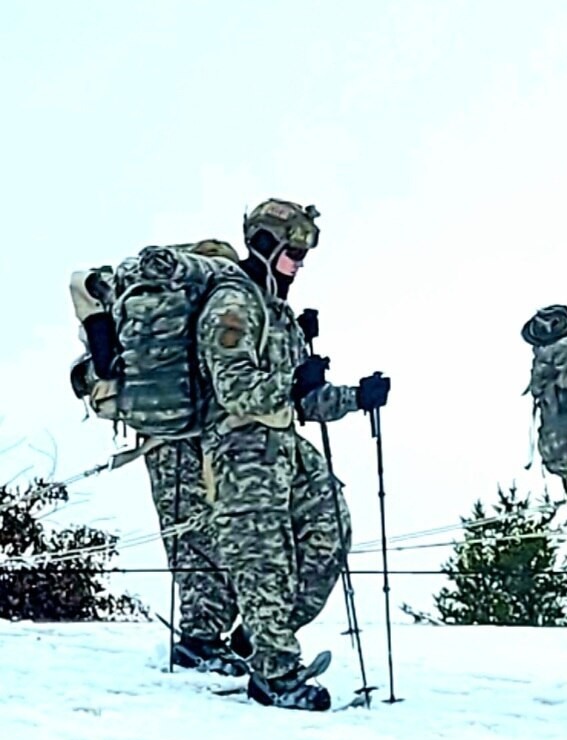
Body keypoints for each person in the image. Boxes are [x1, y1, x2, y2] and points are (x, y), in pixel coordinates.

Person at [194, 198, 389, 711]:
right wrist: (291, 382)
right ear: (265, 244)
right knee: (264, 559)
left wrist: (354, 396)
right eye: (294, 252)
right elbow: (234, 388)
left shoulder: (276, 311)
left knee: (331, 533)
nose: (300, 263)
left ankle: (263, 634)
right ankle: (275, 673)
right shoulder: (232, 304)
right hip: (242, 448)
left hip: (285, 445)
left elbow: (305, 401)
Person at [68, 241, 248, 674]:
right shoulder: (204, 302)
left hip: (165, 435)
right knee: (198, 535)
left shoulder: (144, 300)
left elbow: (83, 284)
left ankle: (213, 635)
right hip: (190, 434)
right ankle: (199, 641)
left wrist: (98, 332)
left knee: (197, 532)